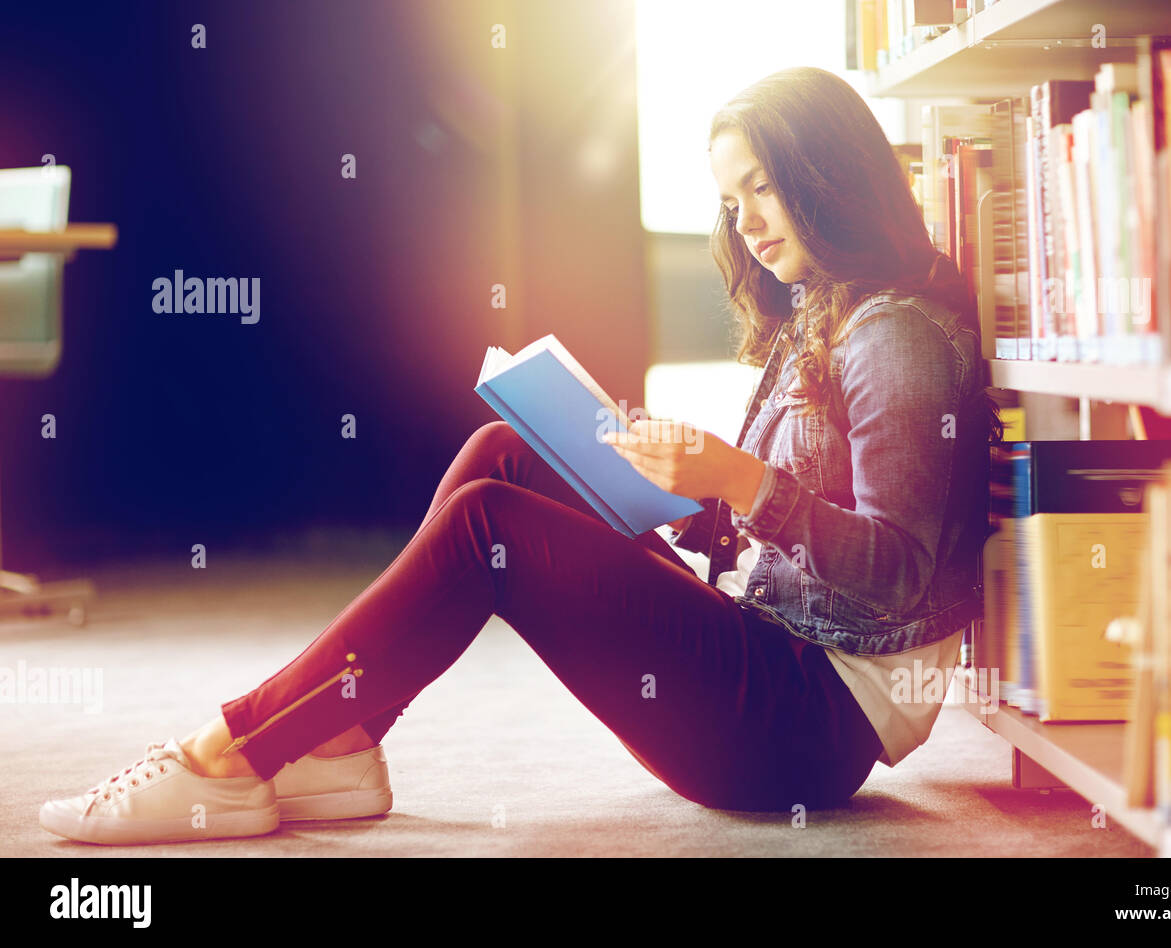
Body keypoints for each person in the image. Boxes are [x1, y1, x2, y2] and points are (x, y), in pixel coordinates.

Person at [39, 66, 999, 845]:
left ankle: (231, 755)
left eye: (763, 186)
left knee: (486, 527)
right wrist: (668, 485)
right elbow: (780, 532)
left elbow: (899, 574)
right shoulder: (829, 311)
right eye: (730, 196)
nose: (746, 222)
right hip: (782, 660)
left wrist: (741, 480)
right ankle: (338, 743)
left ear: (828, 173)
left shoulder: (894, 337)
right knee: (508, 450)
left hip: (806, 729)